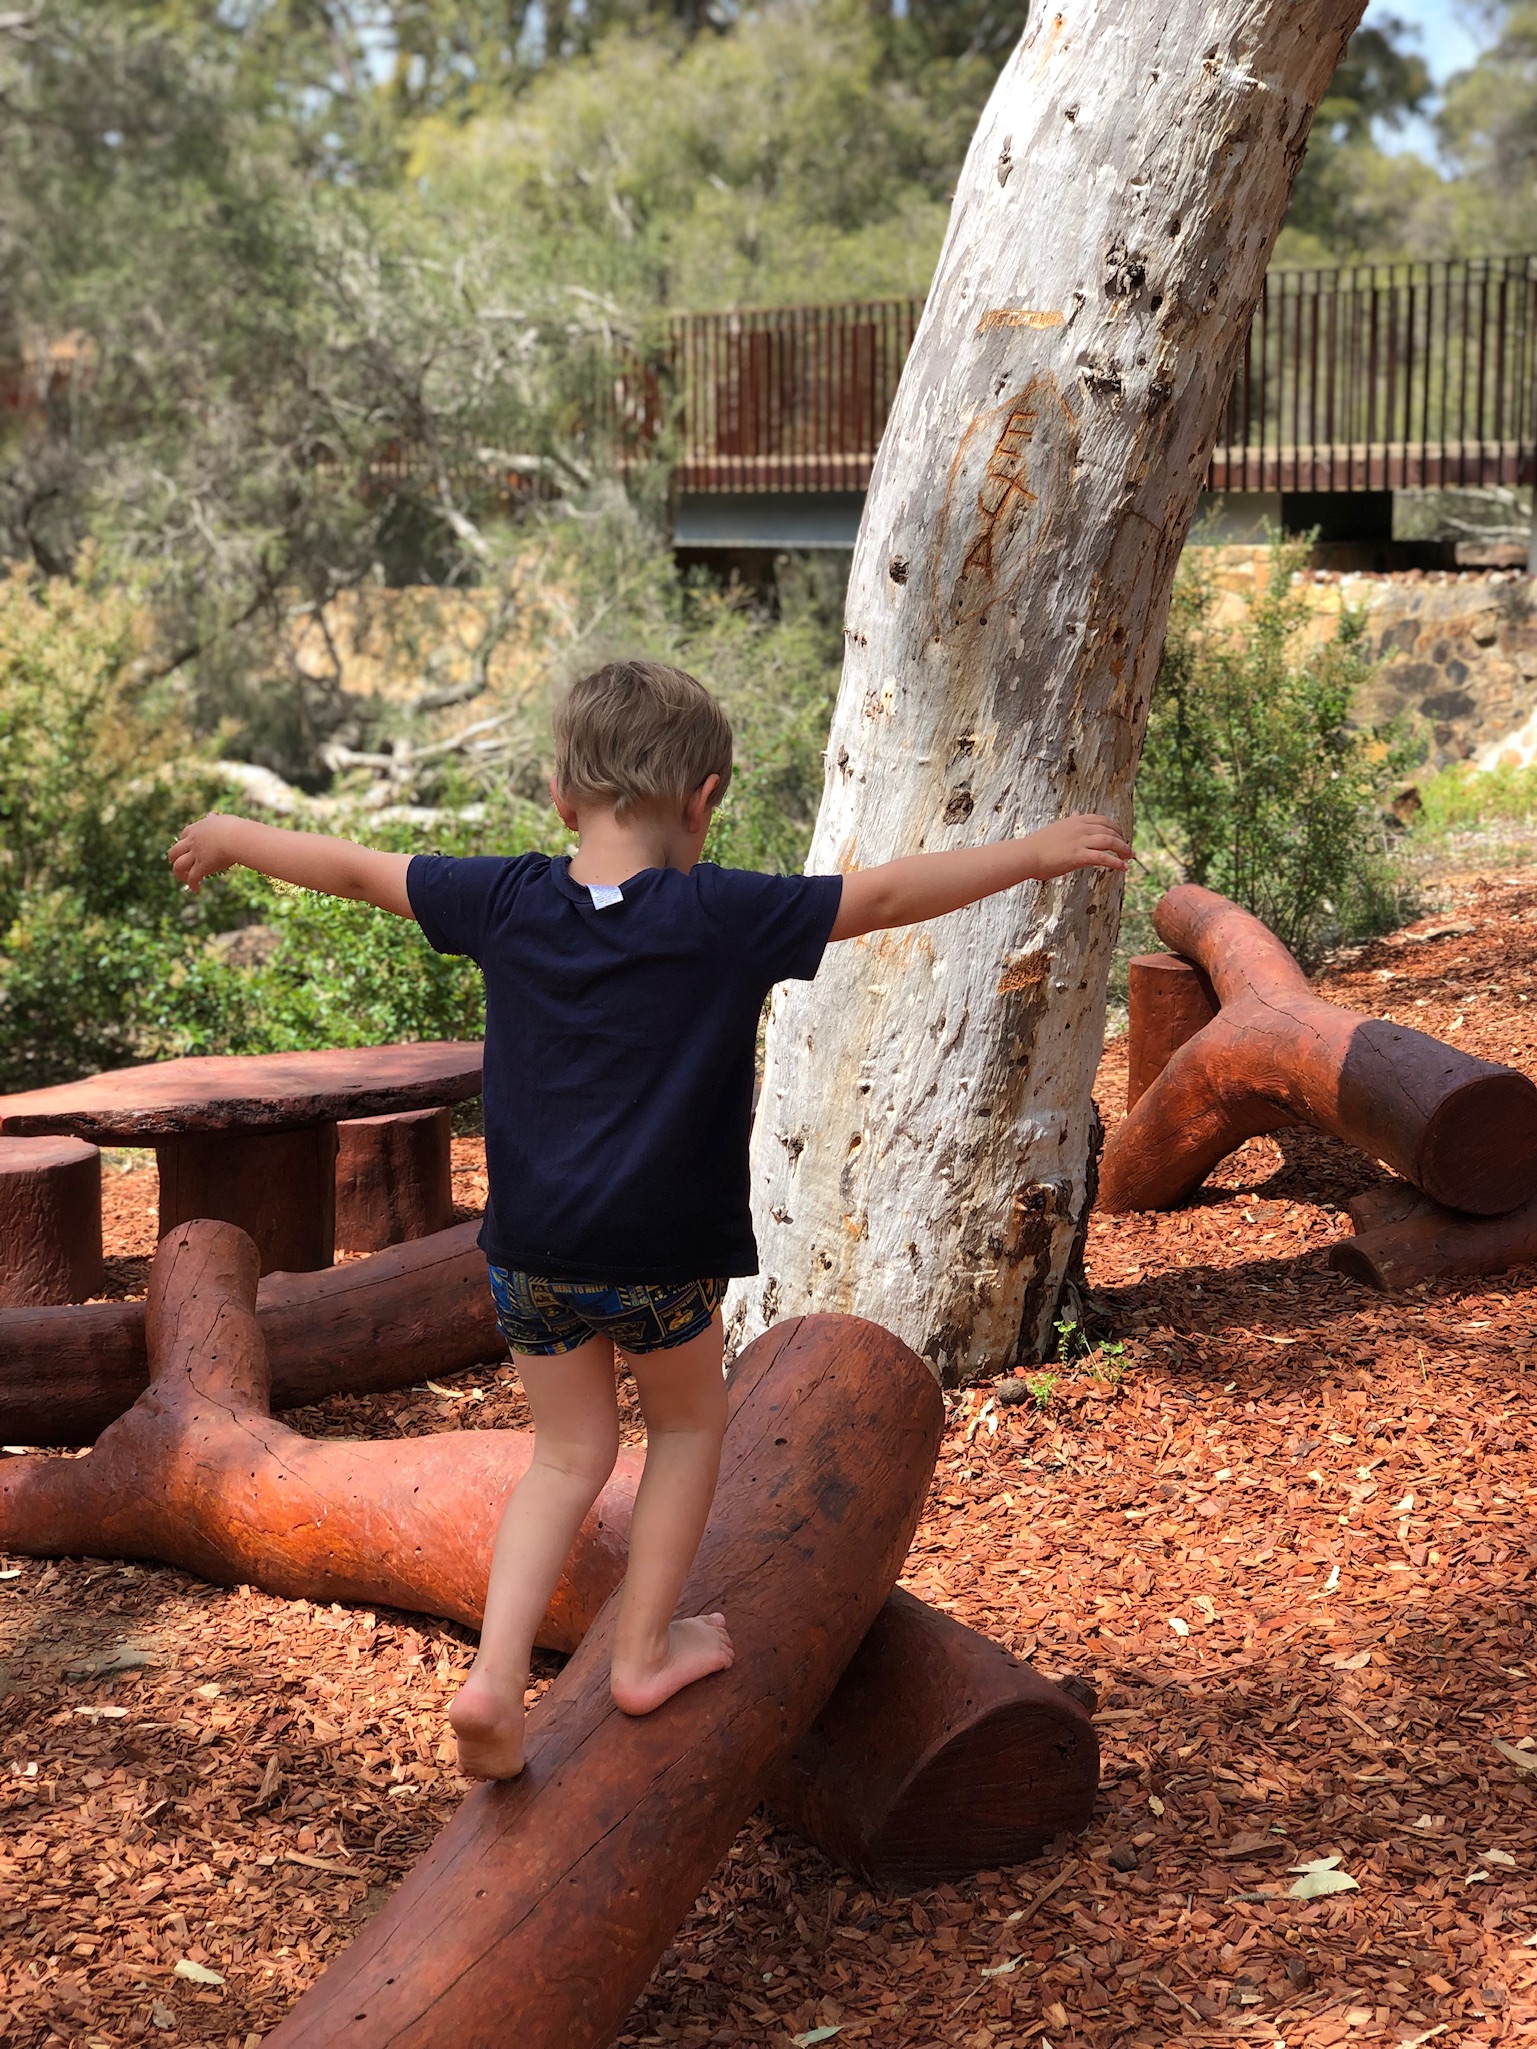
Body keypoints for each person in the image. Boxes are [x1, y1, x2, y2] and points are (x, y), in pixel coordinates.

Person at [169, 658, 1129, 1779]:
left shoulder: (503, 898)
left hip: (527, 1255)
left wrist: (235, 831)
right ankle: (641, 1651)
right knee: (682, 1431)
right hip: (661, 1264)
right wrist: (1041, 850)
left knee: (564, 1456)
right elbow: (882, 897)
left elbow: (348, 869)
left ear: (558, 797)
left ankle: (493, 1677)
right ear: (705, 799)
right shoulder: (725, 915)